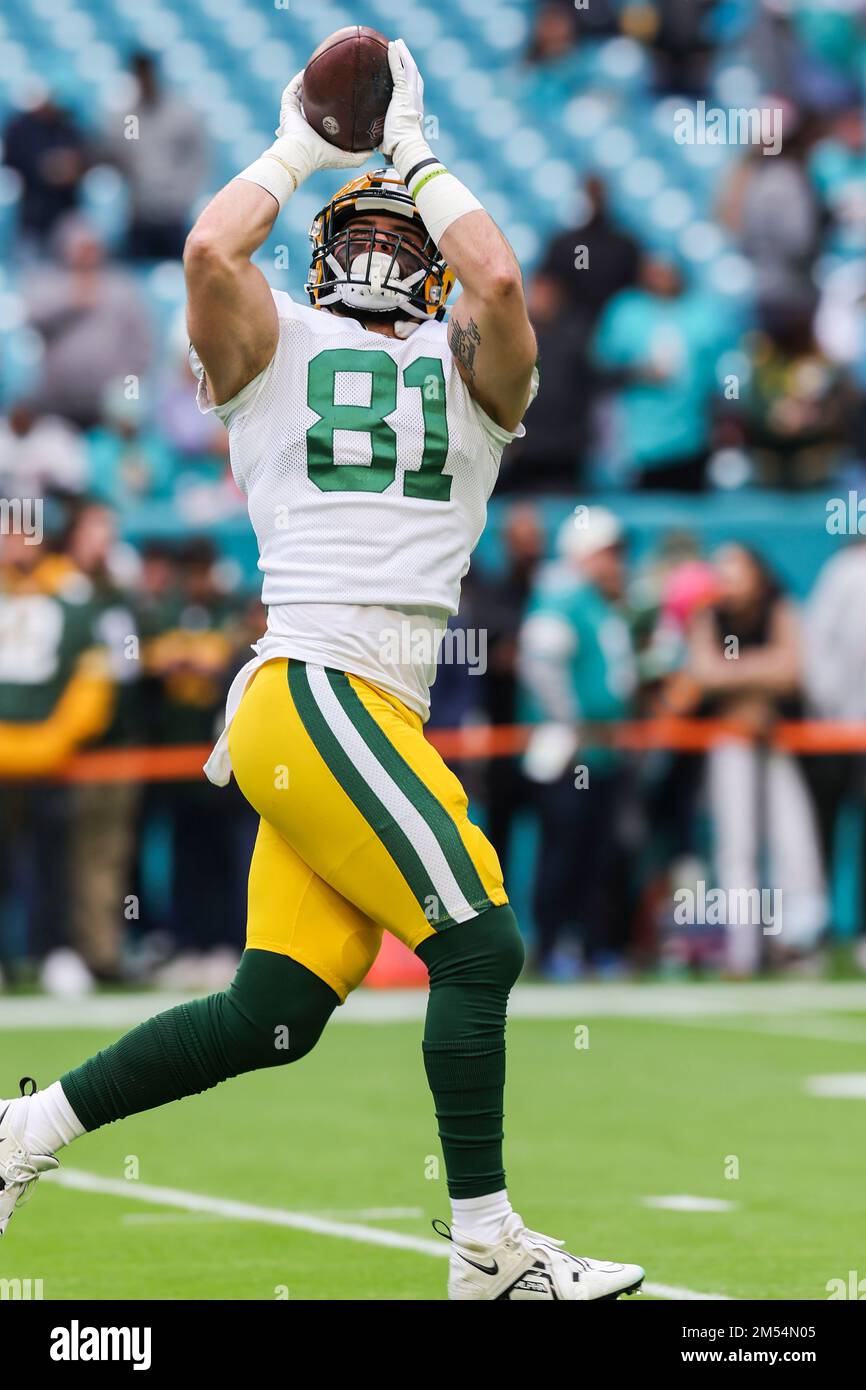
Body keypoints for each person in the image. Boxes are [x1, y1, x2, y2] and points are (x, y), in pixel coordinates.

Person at [0, 41, 644, 1302]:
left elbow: (502, 275)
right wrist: (307, 144)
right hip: (317, 683)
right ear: (315, 241)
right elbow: (203, 252)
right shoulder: (271, 343)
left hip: (355, 709)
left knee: (274, 1014)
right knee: (476, 941)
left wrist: (398, 153)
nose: (375, 241)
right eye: (350, 223)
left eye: (396, 226)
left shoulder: (474, 377)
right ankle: (486, 1252)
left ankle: (23, 1133)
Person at [686, 543, 827, 976]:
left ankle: (798, 941)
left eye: (735, 569)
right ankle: (743, 950)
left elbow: (792, 669)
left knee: (794, 838)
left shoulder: (779, 607)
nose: (726, 578)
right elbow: (702, 672)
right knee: (736, 844)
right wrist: (755, 683)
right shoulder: (709, 616)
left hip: (778, 741)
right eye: (720, 570)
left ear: (756, 573)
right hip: (730, 741)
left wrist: (738, 681)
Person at [518, 507, 637, 977]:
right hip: (570, 750)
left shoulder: (596, 600)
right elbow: (541, 666)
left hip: (601, 750)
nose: (618, 562)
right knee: (564, 852)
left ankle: (594, 945)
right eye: (609, 552)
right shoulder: (561, 595)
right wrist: (573, 721)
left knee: (599, 854)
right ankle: (553, 946)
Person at [105, 51, 208, 261]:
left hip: (174, 213)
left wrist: (183, 193)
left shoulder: (180, 115)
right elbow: (113, 154)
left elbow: (197, 158)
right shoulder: (125, 116)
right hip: (139, 212)